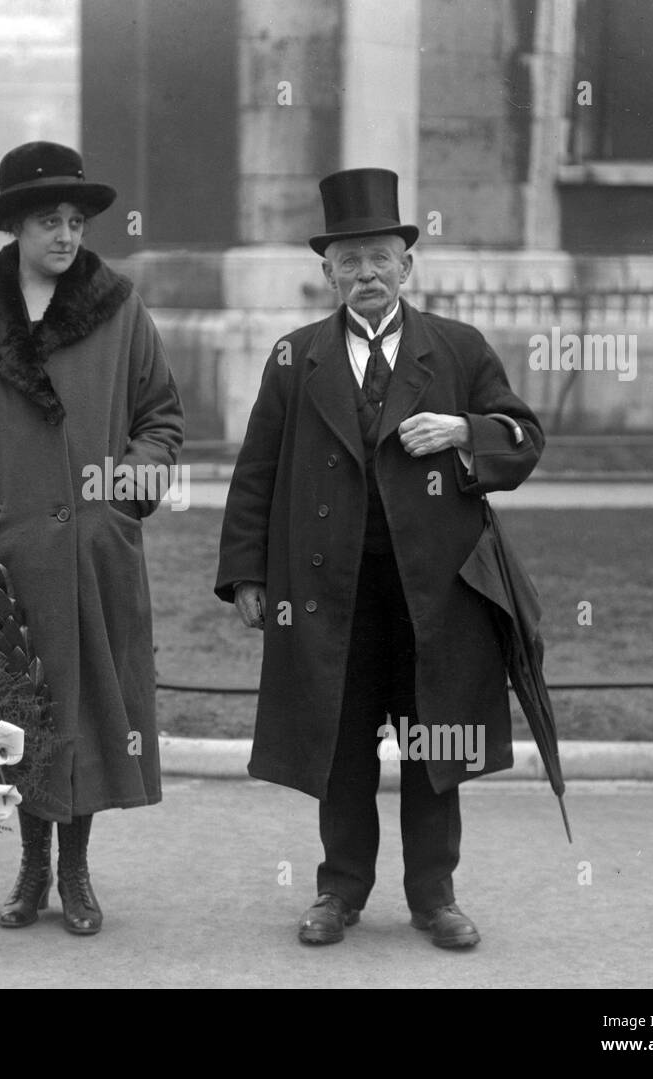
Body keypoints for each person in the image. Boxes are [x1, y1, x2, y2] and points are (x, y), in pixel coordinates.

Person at [215, 168, 543, 948]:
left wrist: (464, 430)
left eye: (381, 259)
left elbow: (524, 436)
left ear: (407, 266)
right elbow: (256, 470)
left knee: (435, 745)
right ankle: (339, 891)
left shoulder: (457, 349)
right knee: (340, 743)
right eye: (350, 261)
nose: (367, 274)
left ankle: (435, 894)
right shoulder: (296, 358)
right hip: (331, 591)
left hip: (435, 593)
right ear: (327, 273)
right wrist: (249, 574)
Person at [0, 141, 184, 935]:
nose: (66, 236)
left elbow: (161, 420)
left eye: (75, 221)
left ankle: (77, 869)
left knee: (86, 711)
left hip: (91, 553)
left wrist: (123, 496)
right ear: (14, 227)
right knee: (14, 713)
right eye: (48, 222)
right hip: (5, 556)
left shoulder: (118, 307)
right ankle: (31, 868)